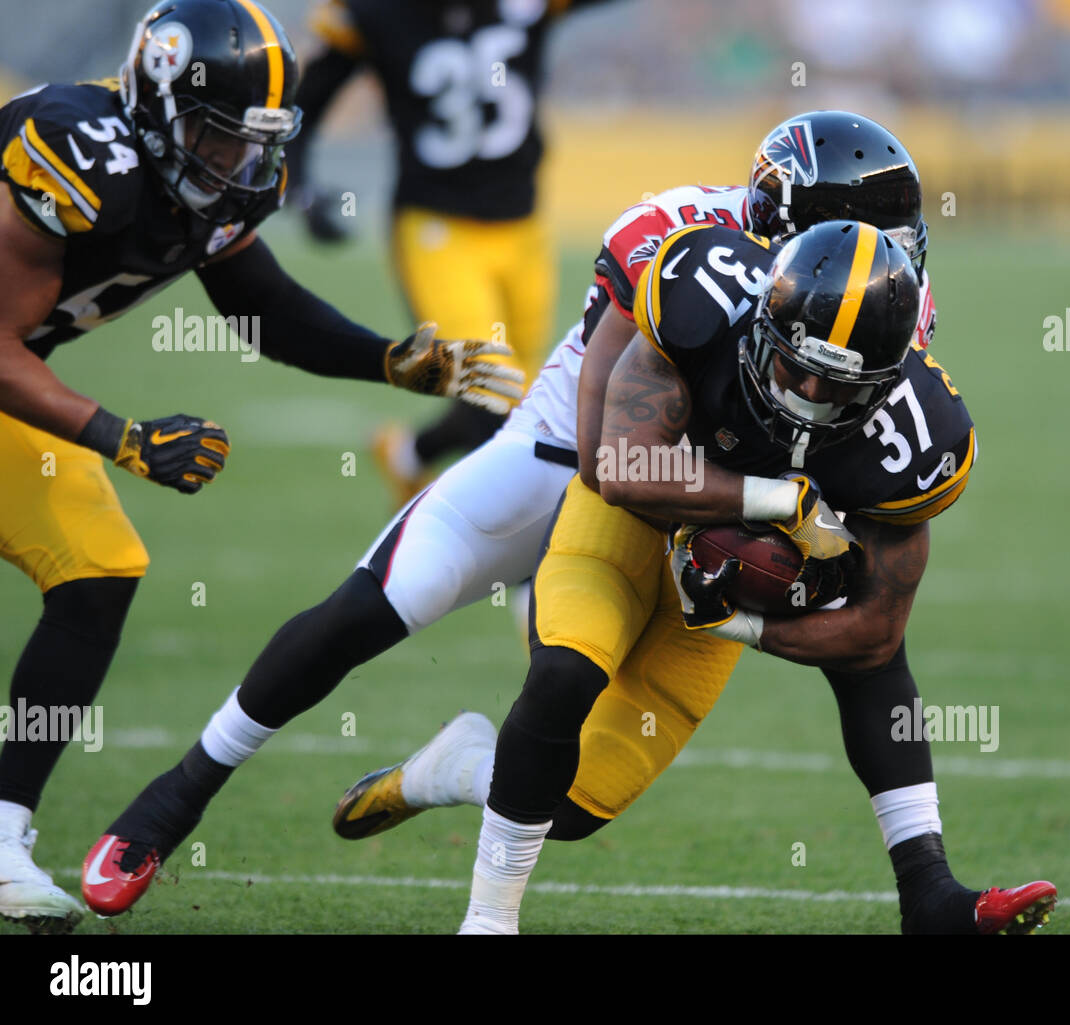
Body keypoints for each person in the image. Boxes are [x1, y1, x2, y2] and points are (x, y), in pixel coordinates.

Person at [78, 112, 989, 932]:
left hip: (702, 485)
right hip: (573, 451)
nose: (883, 262)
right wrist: (772, 505)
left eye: (891, 242)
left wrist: (789, 563)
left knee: (582, 798)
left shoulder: (874, 306)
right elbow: (611, 451)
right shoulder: (681, 243)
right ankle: (177, 796)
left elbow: (859, 548)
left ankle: (924, 882)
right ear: (780, 231)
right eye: (864, 237)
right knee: (378, 603)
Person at [0, 0, 518, 934]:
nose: (234, 161)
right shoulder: (81, 151)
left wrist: (387, 358)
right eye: (215, 136)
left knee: (97, 567)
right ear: (159, 106)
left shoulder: (207, 187)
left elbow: (261, 307)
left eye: (250, 142)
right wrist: (119, 432)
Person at [410, 216, 1055, 935]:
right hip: (633, 515)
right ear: (763, 319)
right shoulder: (705, 299)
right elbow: (619, 466)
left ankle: (928, 891)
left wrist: (742, 620)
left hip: (718, 580)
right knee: (567, 669)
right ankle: (489, 920)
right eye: (794, 363)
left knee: (571, 808)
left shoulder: (916, 432)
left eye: (836, 384)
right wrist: (779, 498)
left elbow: (876, 633)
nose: (807, 391)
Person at [285, 0, 621, 506]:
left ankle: (409, 455)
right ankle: (516, 563)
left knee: (529, 399)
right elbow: (309, 99)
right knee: (491, 390)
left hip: (523, 225)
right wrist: (299, 185)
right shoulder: (377, 12)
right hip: (438, 227)